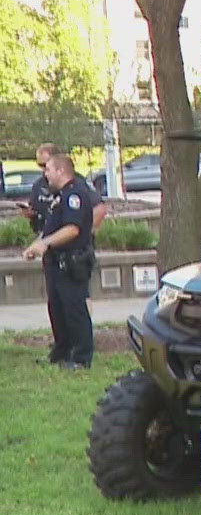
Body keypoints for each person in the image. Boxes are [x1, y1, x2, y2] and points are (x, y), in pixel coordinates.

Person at [22, 154, 98, 368]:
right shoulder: (60, 197)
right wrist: (36, 245)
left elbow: (72, 229)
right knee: (57, 308)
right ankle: (62, 352)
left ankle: (81, 358)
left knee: (74, 310)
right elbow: (51, 228)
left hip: (72, 263)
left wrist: (45, 244)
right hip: (55, 263)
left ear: (61, 171)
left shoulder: (76, 194)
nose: (45, 174)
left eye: (48, 170)